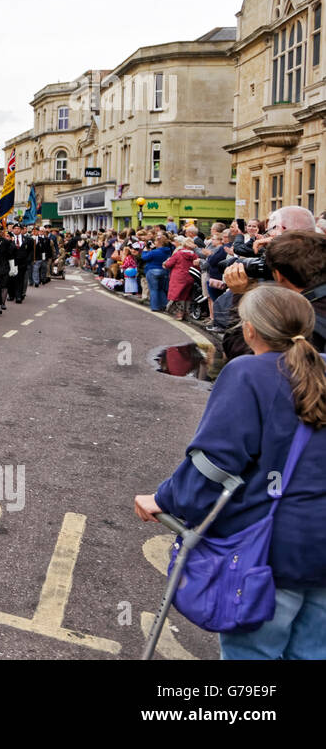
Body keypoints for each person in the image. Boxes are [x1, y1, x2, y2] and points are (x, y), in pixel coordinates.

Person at [134, 286, 326, 659]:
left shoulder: (248, 373)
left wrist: (161, 499)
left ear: (249, 329)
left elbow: (213, 465)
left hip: (270, 549)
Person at [163, 237, 200, 320]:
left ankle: (179, 313)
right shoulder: (194, 255)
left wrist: (165, 263)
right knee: (186, 295)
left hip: (178, 277)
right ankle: (186, 313)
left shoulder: (178, 254)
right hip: (190, 277)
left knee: (177, 295)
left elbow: (169, 264)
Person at [141, 232, 174, 313]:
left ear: (159, 243)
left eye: (155, 241)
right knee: (161, 289)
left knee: (154, 289)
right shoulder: (168, 251)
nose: (154, 243)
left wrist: (145, 251)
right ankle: (165, 305)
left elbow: (144, 258)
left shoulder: (155, 252)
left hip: (152, 271)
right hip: (164, 271)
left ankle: (155, 307)